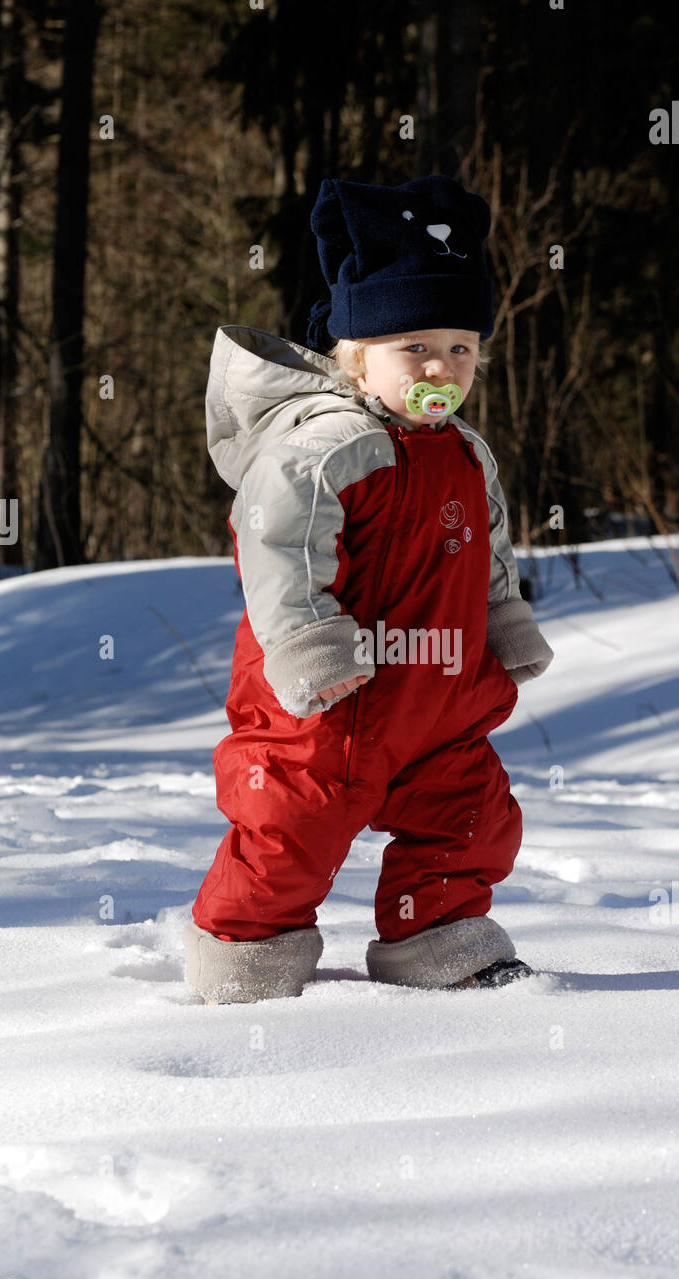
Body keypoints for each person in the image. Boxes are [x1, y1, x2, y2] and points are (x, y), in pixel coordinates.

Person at [185, 174, 554, 1004]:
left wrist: (505, 621)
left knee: (470, 818)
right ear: (356, 354)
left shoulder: (465, 451)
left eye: (460, 348)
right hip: (330, 697)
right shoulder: (327, 445)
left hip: (439, 697)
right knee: (289, 827)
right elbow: (275, 542)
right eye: (415, 348)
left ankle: (442, 940)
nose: (442, 367)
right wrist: (307, 642)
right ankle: (248, 957)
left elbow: (487, 549)